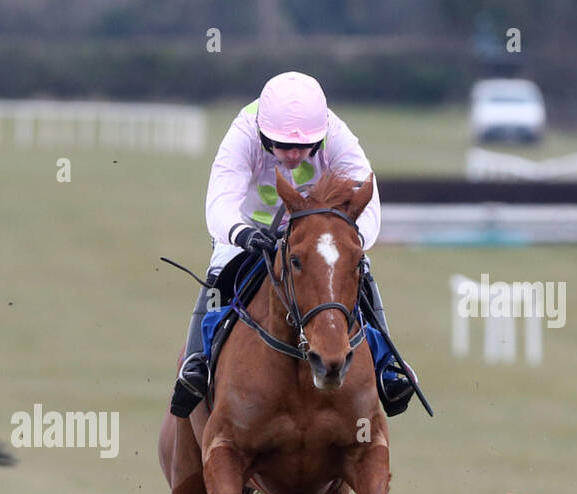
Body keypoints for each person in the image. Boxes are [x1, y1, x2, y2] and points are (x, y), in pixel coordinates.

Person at [169, 71, 416, 419]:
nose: (294, 154)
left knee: (358, 271)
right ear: (263, 134)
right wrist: (243, 234)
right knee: (220, 270)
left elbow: (368, 200)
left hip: (316, 234)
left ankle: (388, 367)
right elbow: (219, 204)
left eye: (303, 146)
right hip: (250, 229)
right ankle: (198, 362)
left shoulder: (336, 134)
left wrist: (349, 241)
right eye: (284, 146)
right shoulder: (243, 133)